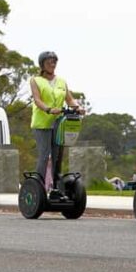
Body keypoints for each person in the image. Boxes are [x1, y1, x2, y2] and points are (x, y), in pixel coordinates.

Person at [29, 51, 85, 192]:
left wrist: (78, 108)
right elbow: (37, 100)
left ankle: (55, 186)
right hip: (42, 123)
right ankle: (39, 185)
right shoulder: (35, 80)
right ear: (42, 64)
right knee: (44, 154)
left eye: (54, 62)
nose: (52, 64)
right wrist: (48, 109)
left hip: (59, 123)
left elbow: (70, 99)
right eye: (49, 62)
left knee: (57, 155)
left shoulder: (61, 81)